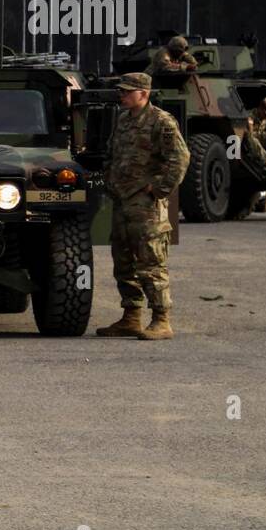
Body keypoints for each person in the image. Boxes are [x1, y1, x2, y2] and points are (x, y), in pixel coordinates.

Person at [97, 72, 191, 341]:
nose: (122, 95)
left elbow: (181, 157)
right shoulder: (123, 120)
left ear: (144, 93)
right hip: (122, 200)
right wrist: (109, 179)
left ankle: (161, 319)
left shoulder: (161, 121)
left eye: (128, 91)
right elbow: (111, 154)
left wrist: (160, 188)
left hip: (146, 204)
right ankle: (131, 317)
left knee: (151, 261)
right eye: (121, 91)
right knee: (123, 261)